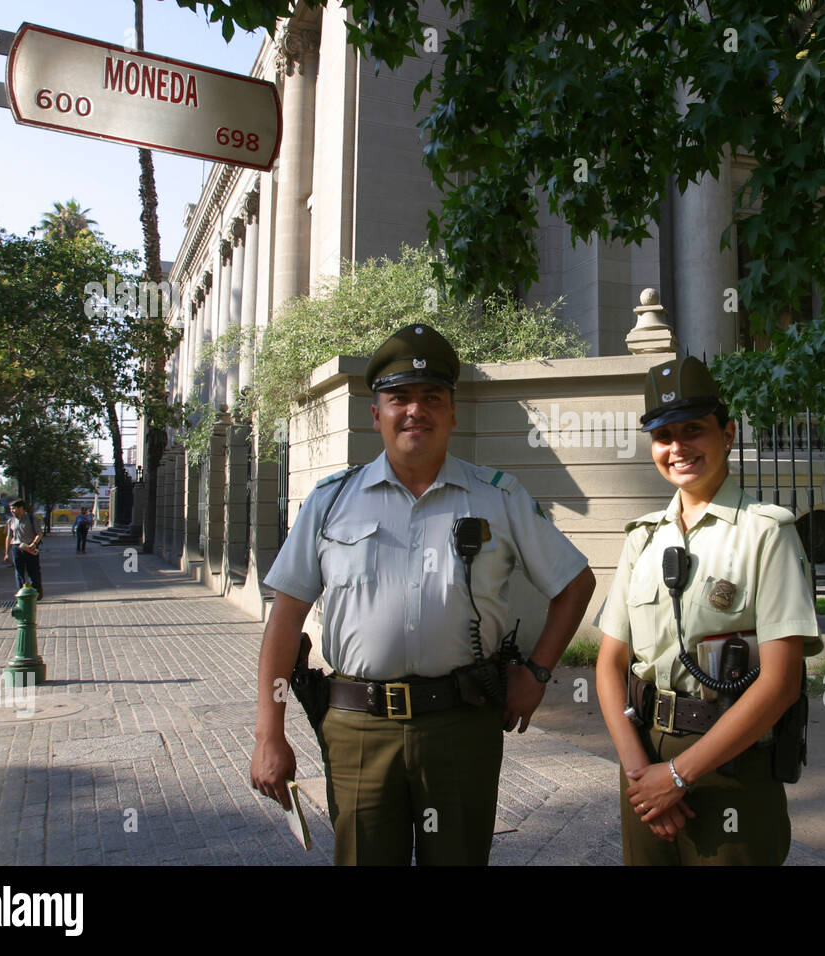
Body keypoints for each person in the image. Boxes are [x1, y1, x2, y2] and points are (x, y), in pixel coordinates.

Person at [249, 323, 595, 865]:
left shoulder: (497, 497)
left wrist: (539, 672)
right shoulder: (330, 502)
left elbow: (575, 583)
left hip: (461, 726)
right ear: (376, 415)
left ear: (452, 413)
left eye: (431, 398)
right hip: (357, 729)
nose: (416, 411)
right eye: (399, 398)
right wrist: (269, 733)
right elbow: (286, 617)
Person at [596, 355, 822, 865]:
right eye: (663, 436)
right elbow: (610, 664)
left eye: (693, 430)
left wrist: (677, 777)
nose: (677, 448)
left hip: (732, 765)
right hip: (645, 755)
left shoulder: (767, 534)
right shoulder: (642, 539)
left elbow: (782, 681)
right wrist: (641, 774)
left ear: (728, 433)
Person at [7, 499, 44, 601]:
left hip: (30, 548)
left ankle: (35, 592)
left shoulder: (32, 518)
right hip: (16, 548)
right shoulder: (11, 521)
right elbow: (9, 537)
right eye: (11, 509)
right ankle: (22, 594)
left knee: (33, 571)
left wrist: (34, 544)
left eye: (14, 508)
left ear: (21, 508)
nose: (12, 511)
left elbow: (39, 533)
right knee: (19, 572)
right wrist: (7, 553)